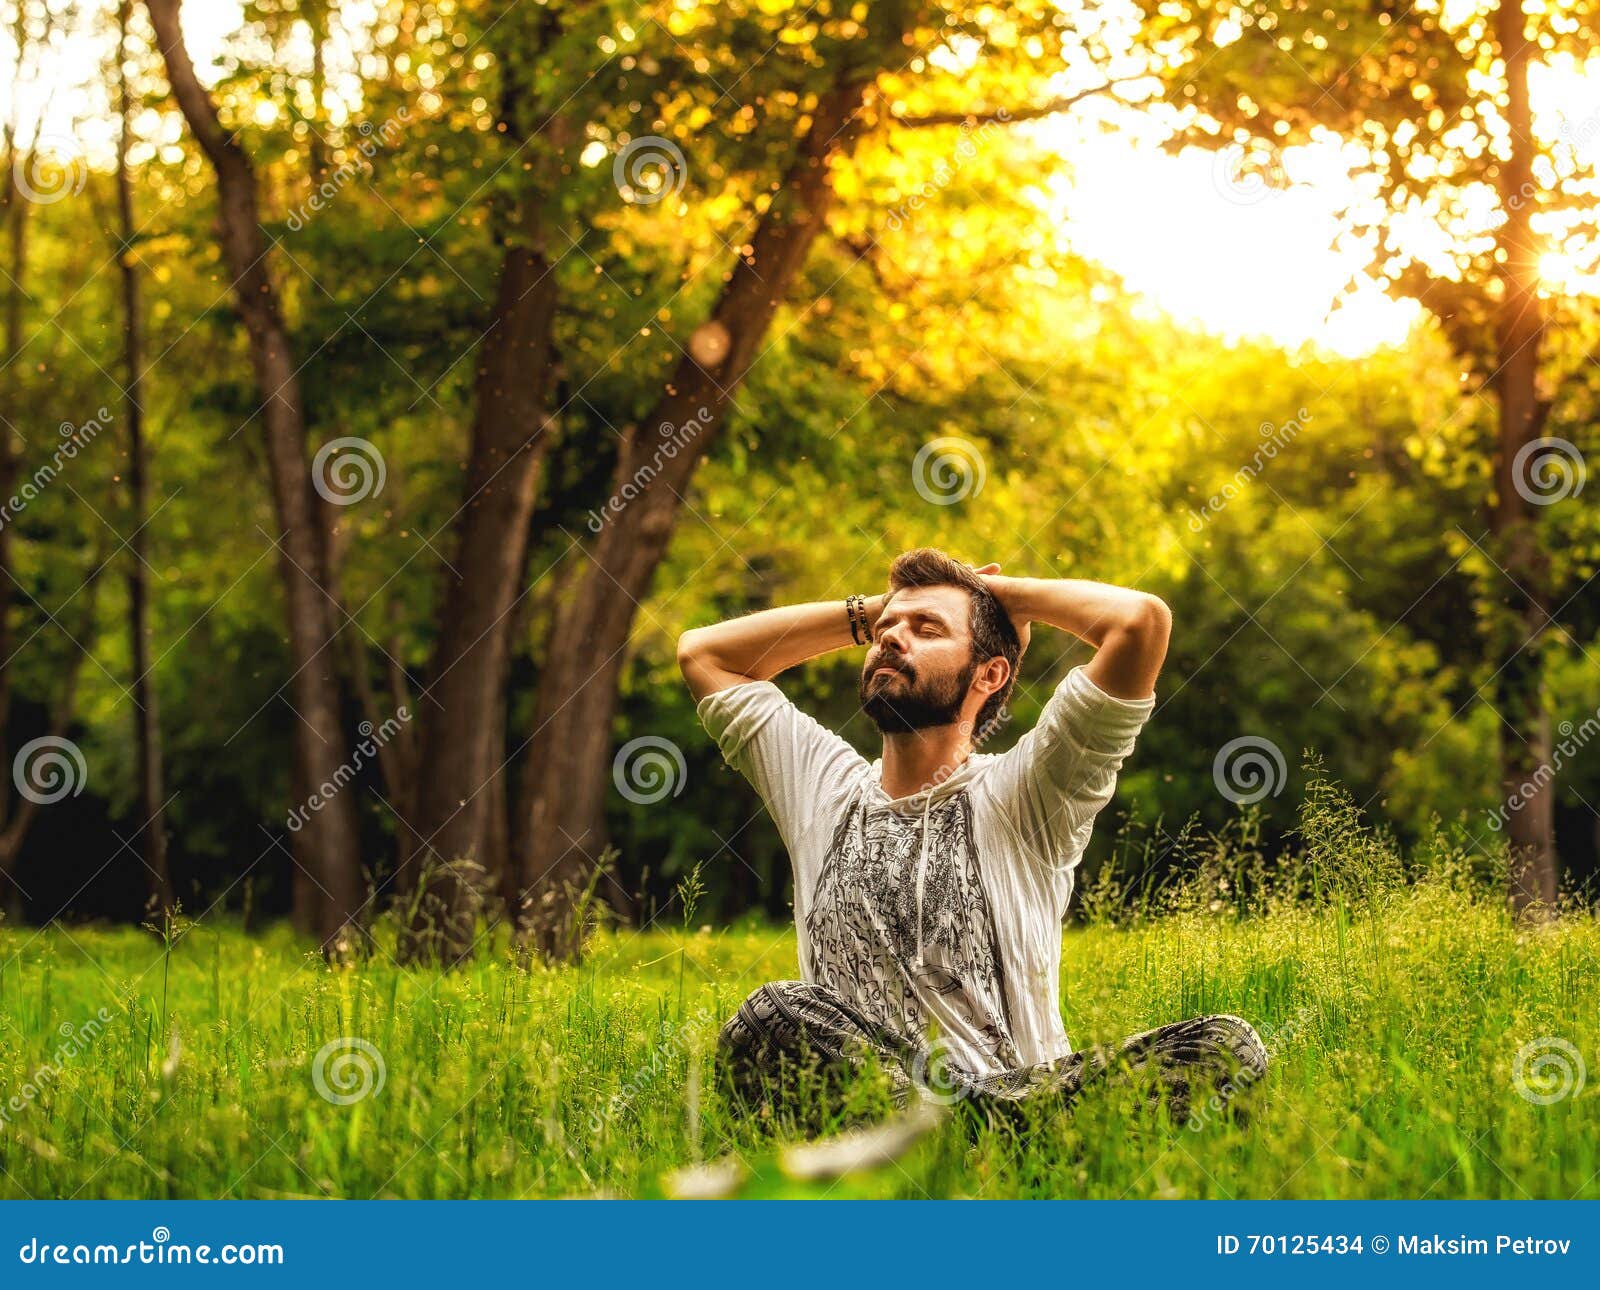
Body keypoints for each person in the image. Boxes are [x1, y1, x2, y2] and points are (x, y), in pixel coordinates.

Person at [677, 548, 1267, 1130]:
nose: (891, 637)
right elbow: (703, 653)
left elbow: (1139, 623)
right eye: (884, 629)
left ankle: (979, 1127)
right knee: (773, 1016)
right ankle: (967, 1134)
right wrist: (876, 613)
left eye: (927, 628)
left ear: (991, 673)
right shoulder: (820, 786)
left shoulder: (1032, 791)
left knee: (1225, 1049)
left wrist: (1000, 598)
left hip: (1028, 1094)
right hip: (875, 1112)